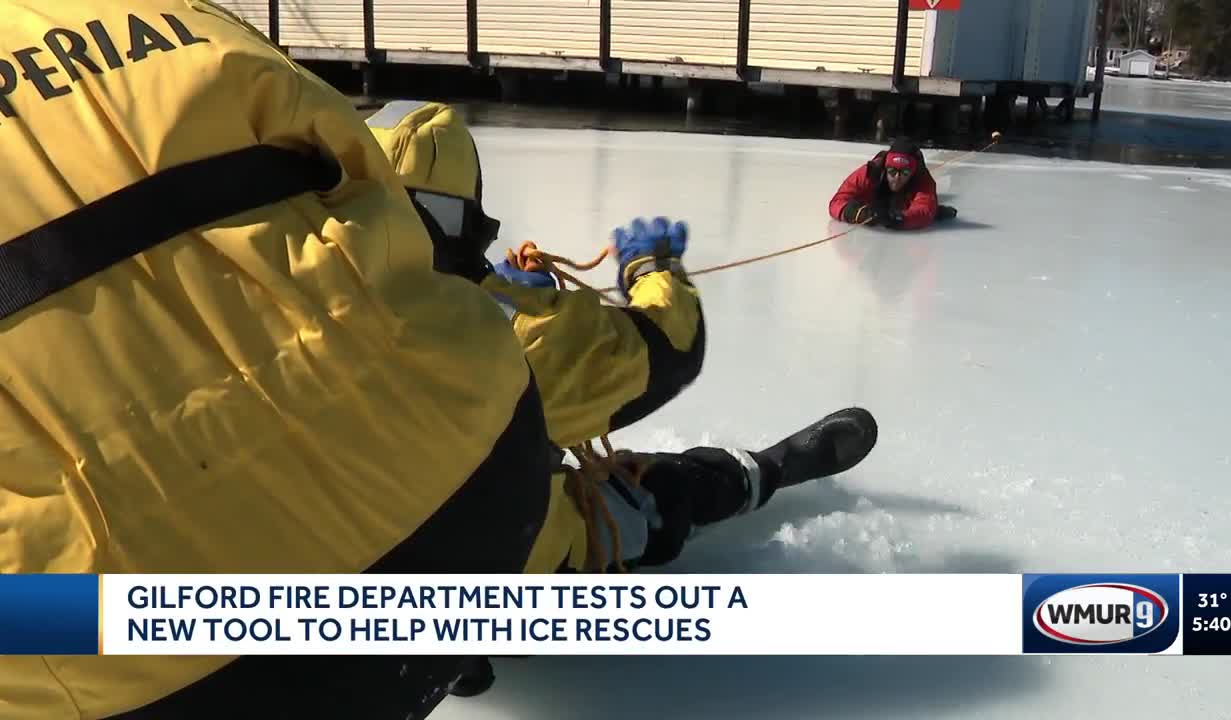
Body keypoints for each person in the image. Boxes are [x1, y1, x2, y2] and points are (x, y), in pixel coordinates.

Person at [0, 1, 871, 715]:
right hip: (465, 558)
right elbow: (664, 352)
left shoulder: (287, 287)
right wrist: (651, 266)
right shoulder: (489, 328)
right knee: (618, 513)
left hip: (101, 638)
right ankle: (747, 476)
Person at [366, 100, 880, 697]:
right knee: (646, 505)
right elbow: (670, 344)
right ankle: (760, 473)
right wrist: (648, 268)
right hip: (501, 588)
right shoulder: (508, 333)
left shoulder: (268, 311)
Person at [828, 140, 958, 230]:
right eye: (892, 171)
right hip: (872, 202)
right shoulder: (869, 172)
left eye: (905, 172)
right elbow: (837, 202)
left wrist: (898, 218)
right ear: (885, 167)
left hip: (903, 206)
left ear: (913, 172)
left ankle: (938, 210)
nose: (897, 178)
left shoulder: (923, 180)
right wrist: (855, 213)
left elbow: (924, 210)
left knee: (932, 210)